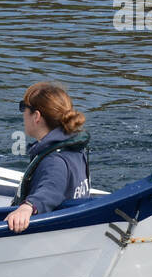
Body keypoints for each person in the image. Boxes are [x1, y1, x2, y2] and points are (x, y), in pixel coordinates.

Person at [6, 82, 91, 233]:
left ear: (36, 116)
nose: (22, 113)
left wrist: (28, 207)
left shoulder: (54, 160)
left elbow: (51, 189)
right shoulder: (75, 148)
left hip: (53, 232)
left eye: (23, 107)